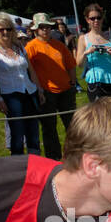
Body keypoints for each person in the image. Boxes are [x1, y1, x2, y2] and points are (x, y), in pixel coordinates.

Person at [0, 13, 44, 156]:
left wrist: (40, 90)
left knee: (33, 132)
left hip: (29, 92)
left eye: (8, 29)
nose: (5, 32)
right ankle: (18, 166)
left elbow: (31, 70)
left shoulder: (19, 48)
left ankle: (35, 164)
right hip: (10, 95)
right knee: (17, 134)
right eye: (1, 30)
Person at [25, 13, 78, 159]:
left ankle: (75, 155)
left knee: (72, 126)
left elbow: (71, 65)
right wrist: (38, 90)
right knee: (49, 128)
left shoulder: (59, 45)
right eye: (41, 27)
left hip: (66, 90)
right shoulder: (30, 47)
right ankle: (53, 159)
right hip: (45, 93)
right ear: (36, 29)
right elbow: (27, 71)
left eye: (47, 27)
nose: (45, 30)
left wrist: (72, 83)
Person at [76, 3, 111, 101]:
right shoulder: (83, 39)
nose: (96, 21)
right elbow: (79, 64)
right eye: (92, 18)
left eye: (99, 17)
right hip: (96, 83)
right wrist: (86, 53)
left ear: (102, 18)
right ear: (87, 20)